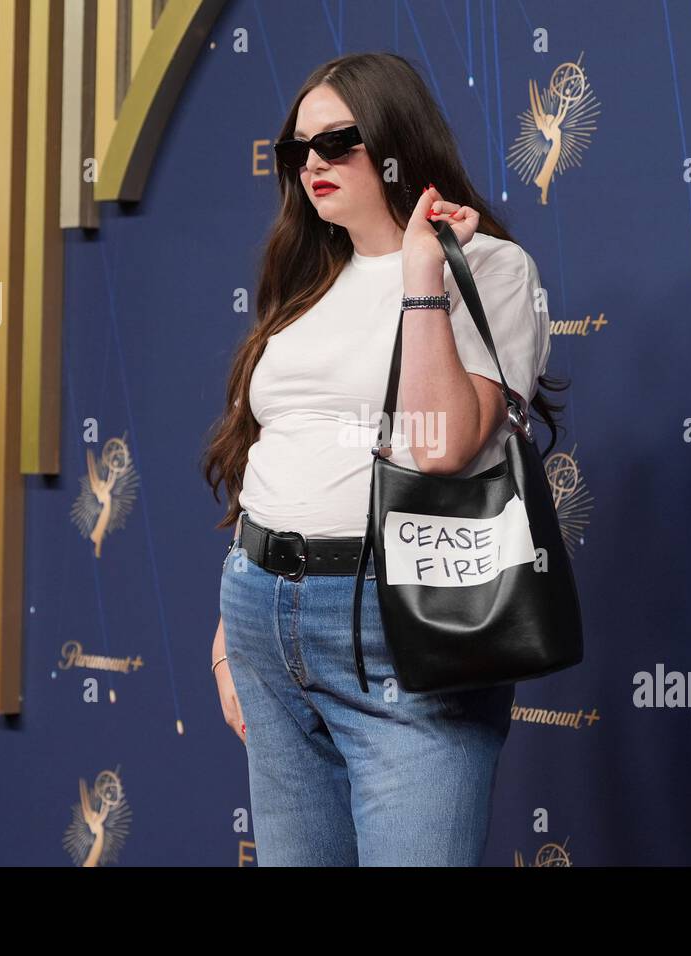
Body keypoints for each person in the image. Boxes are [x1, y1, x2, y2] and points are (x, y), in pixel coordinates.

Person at [200, 52, 567, 866]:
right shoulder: (305, 279)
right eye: (299, 150)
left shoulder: (493, 270)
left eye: (340, 141)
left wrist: (422, 276)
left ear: (399, 139)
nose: (314, 165)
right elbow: (276, 455)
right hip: (263, 615)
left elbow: (440, 448)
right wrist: (231, 635)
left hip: (404, 623)